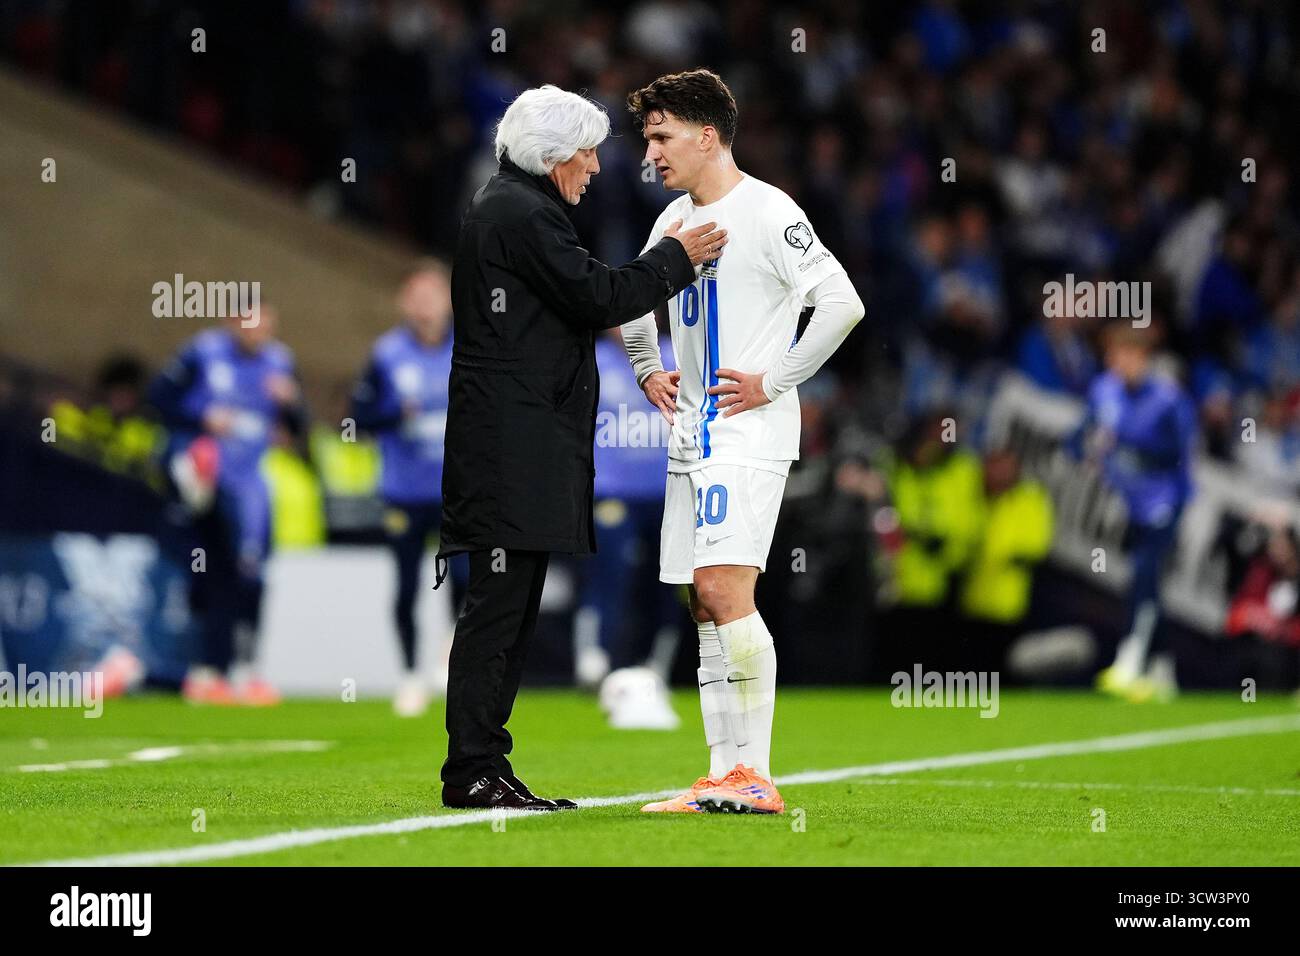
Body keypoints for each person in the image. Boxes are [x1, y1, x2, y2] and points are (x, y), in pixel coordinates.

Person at [435, 85, 727, 811]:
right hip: (508, 449)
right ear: (551, 155)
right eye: (587, 152)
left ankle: (482, 764)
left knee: (508, 612)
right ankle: (471, 767)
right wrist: (675, 258)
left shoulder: (511, 207)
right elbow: (598, 296)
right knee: (499, 614)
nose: (595, 167)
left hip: (511, 444)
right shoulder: (520, 210)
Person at [621, 69, 865, 814]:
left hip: (746, 431)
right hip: (690, 435)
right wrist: (647, 367)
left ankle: (754, 774)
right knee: (702, 602)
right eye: (648, 140)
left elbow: (842, 303)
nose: (651, 154)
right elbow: (632, 298)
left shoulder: (768, 210)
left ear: (707, 136)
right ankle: (721, 775)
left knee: (726, 590)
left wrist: (774, 381)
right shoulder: (672, 220)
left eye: (661, 137)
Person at [148, 306, 302, 705]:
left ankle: (244, 669)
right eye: (249, 323)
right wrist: (201, 417)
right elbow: (158, 399)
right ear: (231, 322)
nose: (257, 332)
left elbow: (297, 428)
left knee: (250, 576)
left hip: (250, 489)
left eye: (265, 325)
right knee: (209, 574)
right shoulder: (202, 352)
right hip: (203, 483)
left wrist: (290, 405)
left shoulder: (280, 363)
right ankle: (207, 668)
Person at [350, 264, 465, 717]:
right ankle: (410, 674)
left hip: (457, 489)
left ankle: (449, 658)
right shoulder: (387, 354)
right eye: (416, 298)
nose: (424, 307)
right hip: (403, 491)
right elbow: (357, 418)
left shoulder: (468, 346)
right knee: (405, 586)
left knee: (467, 580)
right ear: (403, 303)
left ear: (448, 301)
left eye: (431, 297)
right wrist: (395, 413)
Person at [1077, 322, 1197, 702]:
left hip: (1163, 501)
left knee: (1143, 573)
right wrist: (1086, 453)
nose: (1119, 364)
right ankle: (1162, 667)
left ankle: (1130, 659)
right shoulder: (1103, 390)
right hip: (1127, 501)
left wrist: (1136, 457)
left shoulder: (1168, 399)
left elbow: (1183, 456)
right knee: (1149, 584)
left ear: (1144, 358)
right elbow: (1082, 433)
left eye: (1126, 356)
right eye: (1113, 356)